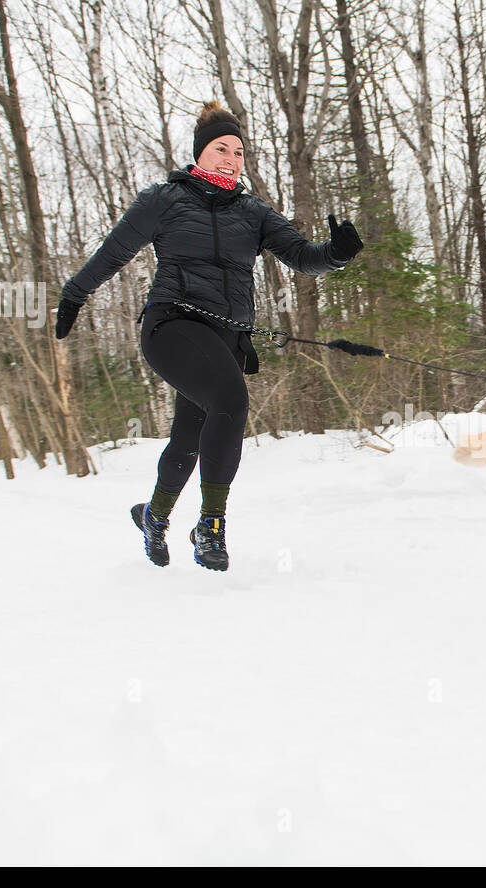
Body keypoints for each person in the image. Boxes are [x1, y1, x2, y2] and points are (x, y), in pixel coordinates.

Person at [54, 101, 363, 571]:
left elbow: (302, 256)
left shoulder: (253, 211)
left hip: (226, 338)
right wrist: (74, 295)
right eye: (221, 149)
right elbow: (112, 253)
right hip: (172, 324)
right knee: (231, 402)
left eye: (239, 153)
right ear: (200, 152)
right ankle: (211, 529)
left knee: (188, 439)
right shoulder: (163, 199)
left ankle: (154, 518)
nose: (231, 159)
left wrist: (337, 254)